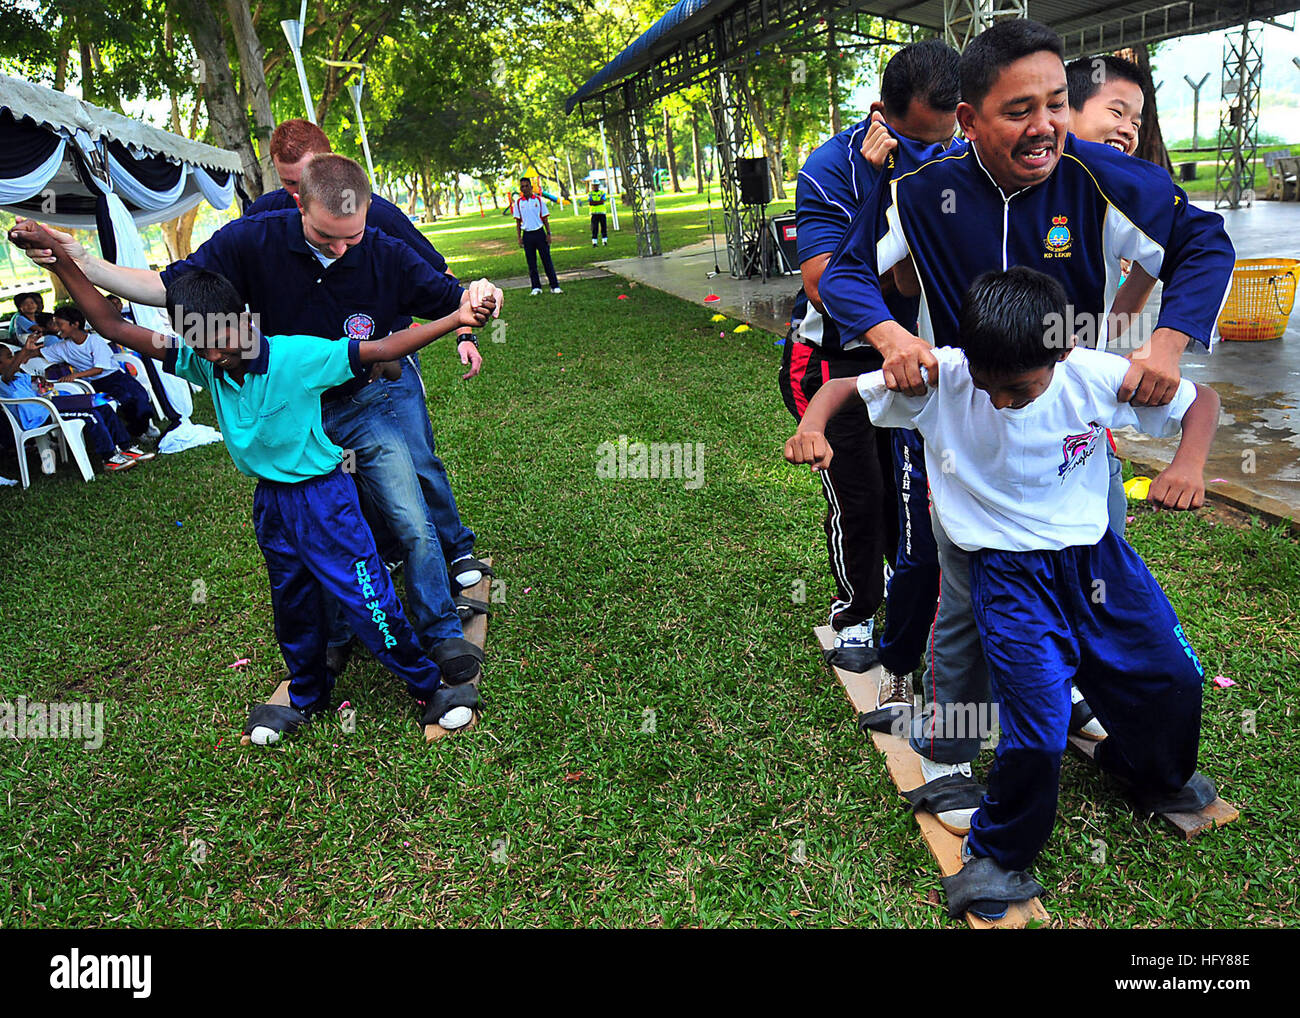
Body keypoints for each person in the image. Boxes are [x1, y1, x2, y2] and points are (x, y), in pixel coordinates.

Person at [818, 19, 1235, 835]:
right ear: (969, 120)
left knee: (1096, 580)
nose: (1043, 125)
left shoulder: (1097, 175)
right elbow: (846, 274)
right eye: (1018, 111)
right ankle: (947, 752)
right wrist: (893, 335)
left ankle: (1081, 709)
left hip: (1067, 426)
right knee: (966, 596)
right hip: (971, 429)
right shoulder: (922, 191)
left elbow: (1200, 241)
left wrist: (1167, 340)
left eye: (1053, 104)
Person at [787, 267, 1220, 918]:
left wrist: (1189, 465)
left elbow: (1201, 403)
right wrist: (812, 426)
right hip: (1007, 575)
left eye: (1017, 389)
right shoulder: (949, 373)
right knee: (1036, 727)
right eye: (989, 388)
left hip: (1097, 562)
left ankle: (1150, 771)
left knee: (1174, 678)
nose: (1001, 404)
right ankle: (997, 856)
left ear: (1060, 352)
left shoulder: (1093, 374)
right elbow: (843, 385)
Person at [13, 156, 503, 687]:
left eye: (353, 237)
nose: (342, 249)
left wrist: (468, 310)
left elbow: (408, 328)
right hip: (293, 444)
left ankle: (436, 630)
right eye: (328, 236)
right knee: (313, 557)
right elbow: (131, 311)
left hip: (359, 405)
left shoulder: (312, 329)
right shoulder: (221, 319)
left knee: (408, 519)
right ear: (298, 204)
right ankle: (334, 643)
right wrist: (65, 260)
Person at [779, 38, 959, 706]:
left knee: (905, 496)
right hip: (839, 355)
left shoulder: (956, 156)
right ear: (881, 115)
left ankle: (903, 599)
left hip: (916, 352)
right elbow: (826, 281)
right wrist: (881, 187)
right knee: (861, 496)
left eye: (945, 139)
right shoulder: (830, 168)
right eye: (916, 140)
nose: (932, 152)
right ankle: (854, 611)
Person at [243, 120, 489, 597]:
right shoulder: (267, 217)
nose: (298, 195)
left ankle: (456, 547)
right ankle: (391, 553)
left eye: (304, 180)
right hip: (319, 381)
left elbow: (442, 279)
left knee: (416, 460)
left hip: (386, 364)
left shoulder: (375, 213)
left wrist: (465, 332)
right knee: (352, 473)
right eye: (288, 184)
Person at [0, 332, 145, 472]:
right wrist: (24, 351)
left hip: (51, 406)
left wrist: (41, 381)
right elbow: (7, 375)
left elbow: (32, 380)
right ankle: (109, 458)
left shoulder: (19, 376)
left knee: (102, 403)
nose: (13, 359)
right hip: (40, 416)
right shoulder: (2, 380)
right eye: (9, 357)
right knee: (90, 415)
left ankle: (126, 447)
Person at [43, 304, 158, 441]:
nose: (56, 328)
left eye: (60, 324)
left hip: (116, 376)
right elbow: (37, 353)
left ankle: (141, 427)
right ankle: (138, 430)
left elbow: (99, 368)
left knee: (140, 395)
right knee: (127, 399)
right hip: (98, 383)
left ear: (75, 324)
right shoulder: (61, 347)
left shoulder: (94, 340)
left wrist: (75, 375)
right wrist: (27, 349)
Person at [514, 177, 562, 295]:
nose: (524, 188)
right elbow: (518, 222)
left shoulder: (539, 200)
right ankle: (536, 287)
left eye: (526, 186)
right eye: (522, 187)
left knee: (547, 260)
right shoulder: (519, 203)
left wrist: (548, 233)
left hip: (539, 233)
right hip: (527, 235)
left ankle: (554, 285)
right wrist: (519, 237)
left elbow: (544, 218)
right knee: (531, 263)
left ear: (531, 187)